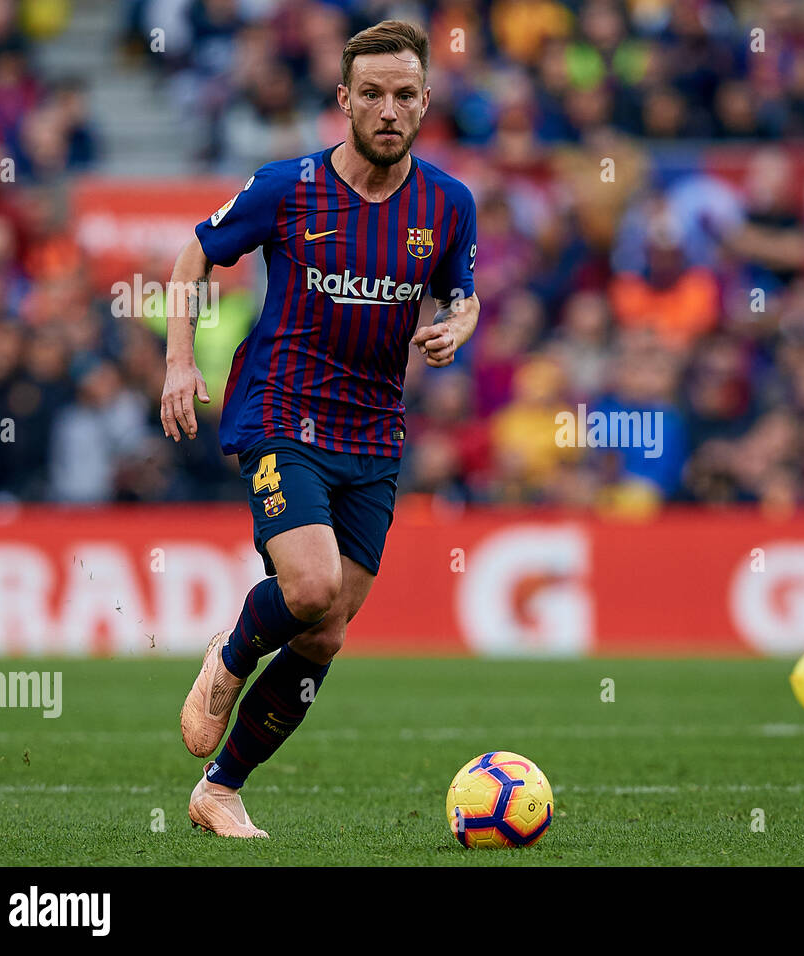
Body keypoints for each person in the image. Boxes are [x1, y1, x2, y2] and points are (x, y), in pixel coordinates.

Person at [158, 19, 479, 837]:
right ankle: (228, 657)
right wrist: (178, 362)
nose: (388, 109)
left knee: (327, 633)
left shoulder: (448, 204)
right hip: (281, 414)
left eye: (405, 94)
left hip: (373, 435)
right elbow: (194, 258)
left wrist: (457, 326)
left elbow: (462, 292)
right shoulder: (286, 187)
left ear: (425, 102)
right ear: (343, 99)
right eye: (371, 93)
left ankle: (220, 789)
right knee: (309, 588)